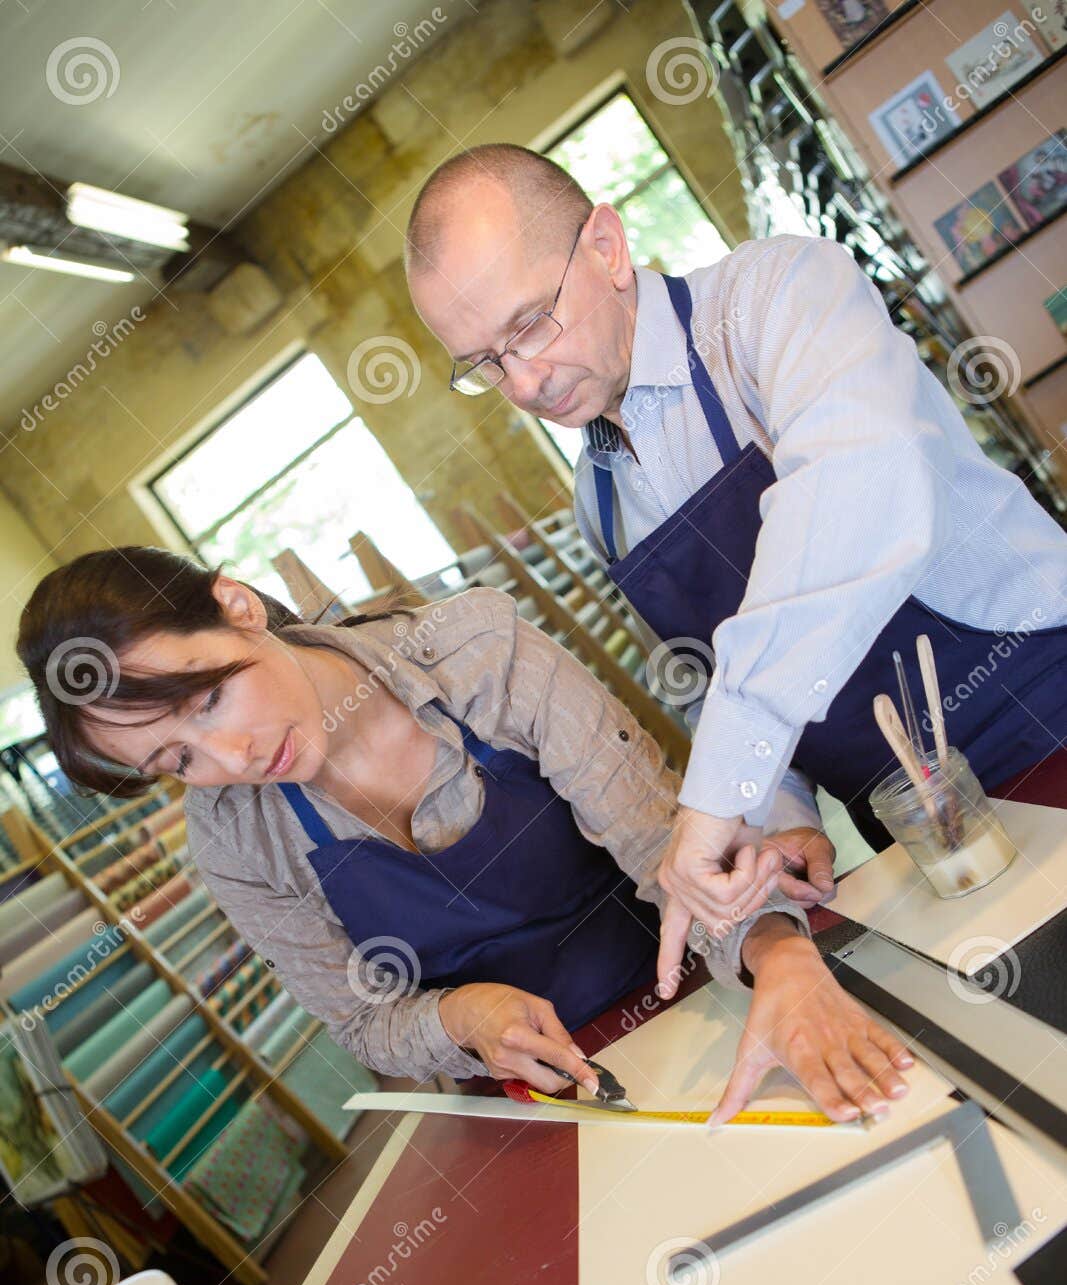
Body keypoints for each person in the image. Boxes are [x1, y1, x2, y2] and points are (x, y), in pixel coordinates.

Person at [405, 143, 1067, 992]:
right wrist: (777, 815)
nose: (524, 382)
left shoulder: (778, 297)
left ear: (605, 247)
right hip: (906, 825)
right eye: (484, 364)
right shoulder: (600, 502)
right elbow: (708, 677)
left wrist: (716, 792)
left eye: (529, 325)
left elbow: (853, 501)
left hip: (1041, 706)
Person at [17, 548, 913, 1123]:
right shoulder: (234, 842)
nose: (233, 758)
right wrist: (458, 1017)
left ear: (238, 607)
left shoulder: (479, 657)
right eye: (177, 760)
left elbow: (657, 842)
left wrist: (776, 957)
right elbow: (362, 1017)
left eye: (210, 699)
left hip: (703, 999)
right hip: (548, 1102)